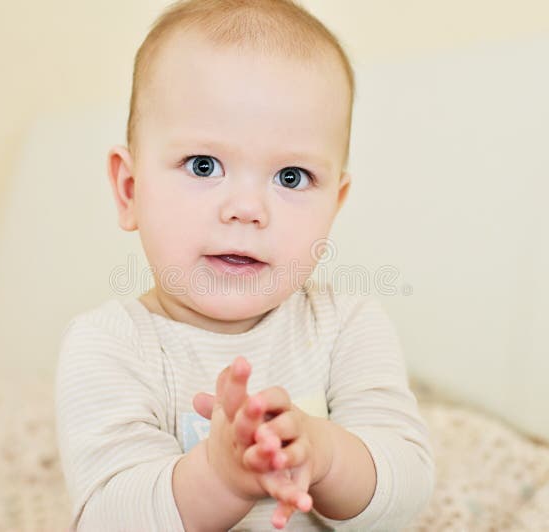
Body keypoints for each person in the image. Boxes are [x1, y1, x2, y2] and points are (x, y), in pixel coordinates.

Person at [54, 0, 435, 529]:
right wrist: (219, 478)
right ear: (130, 189)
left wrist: (325, 454)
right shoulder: (110, 346)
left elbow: (408, 490)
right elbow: (107, 518)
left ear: (335, 206)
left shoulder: (347, 327)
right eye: (203, 165)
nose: (247, 209)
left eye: (291, 177)